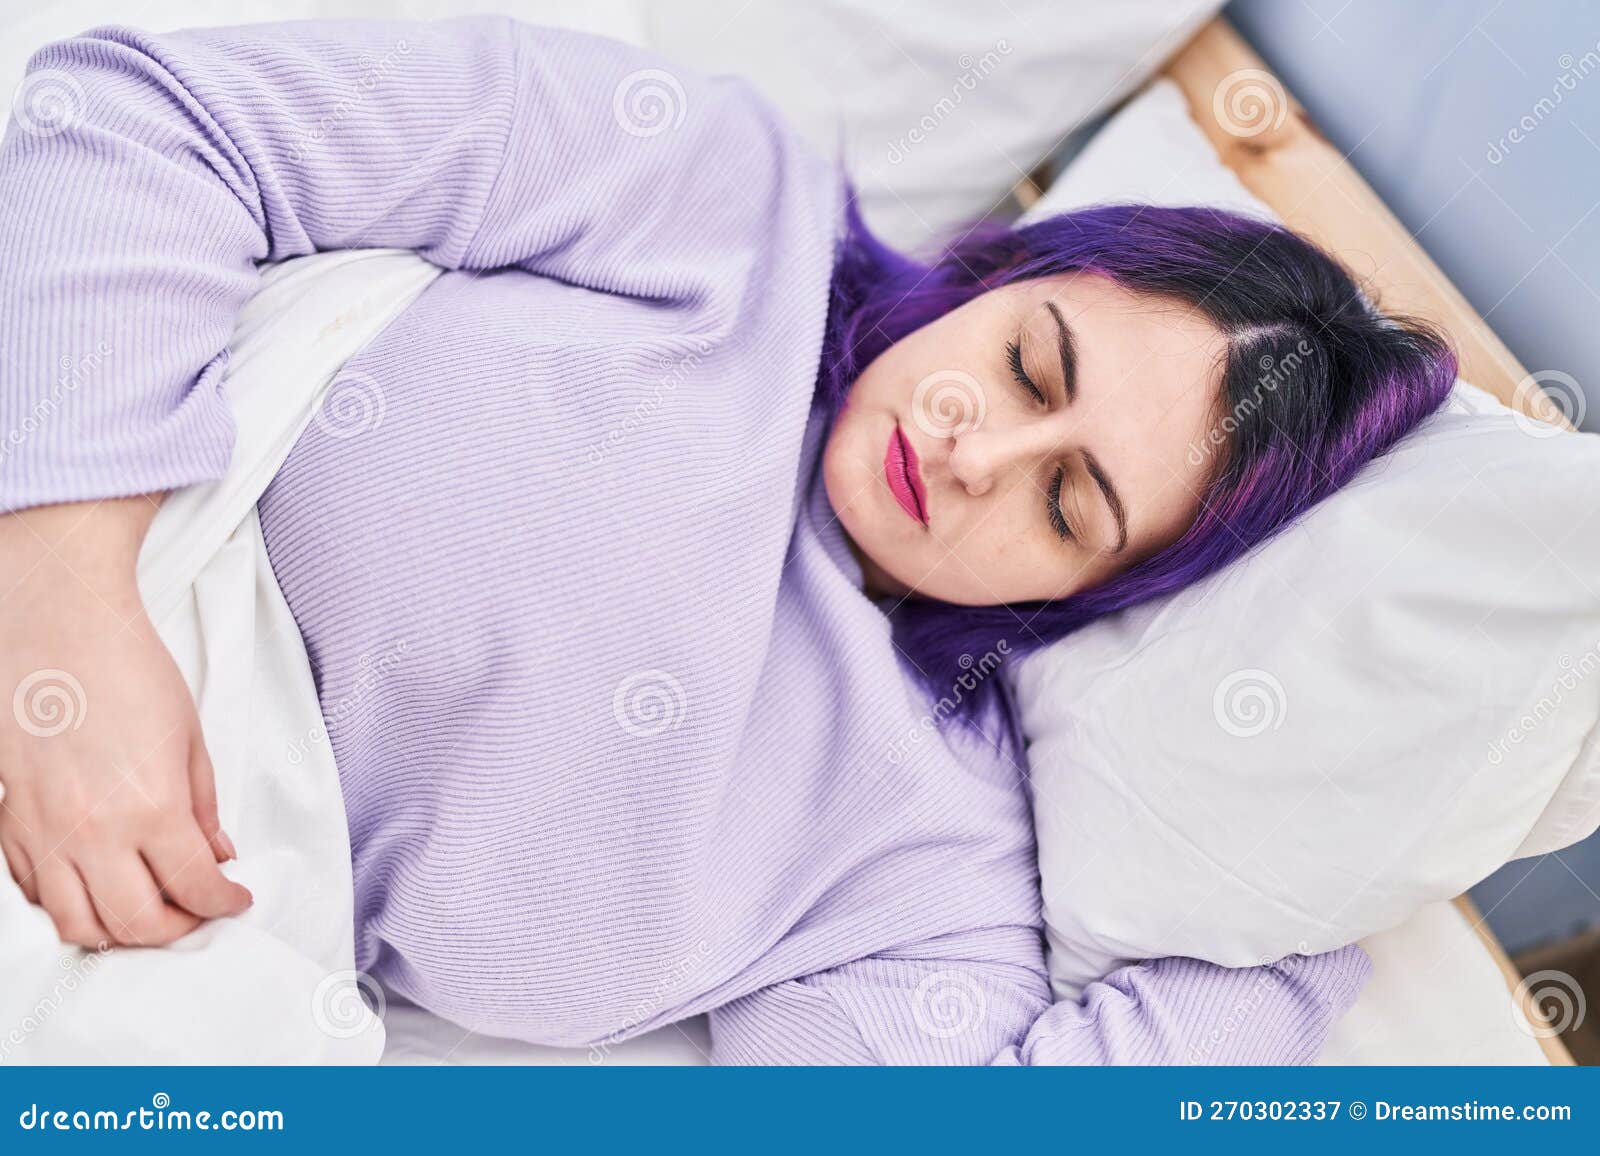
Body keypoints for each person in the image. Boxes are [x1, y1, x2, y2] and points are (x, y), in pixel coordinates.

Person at [0, 16, 1450, 1063]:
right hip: (91, 543)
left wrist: (1301, 913)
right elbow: (149, 114)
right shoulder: (716, 202)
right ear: (996, 272)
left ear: (1114, 593)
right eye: (1025, 364)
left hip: (161, 956)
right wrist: (63, 617)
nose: (973, 450)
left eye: (1069, 504)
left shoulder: (930, 857)